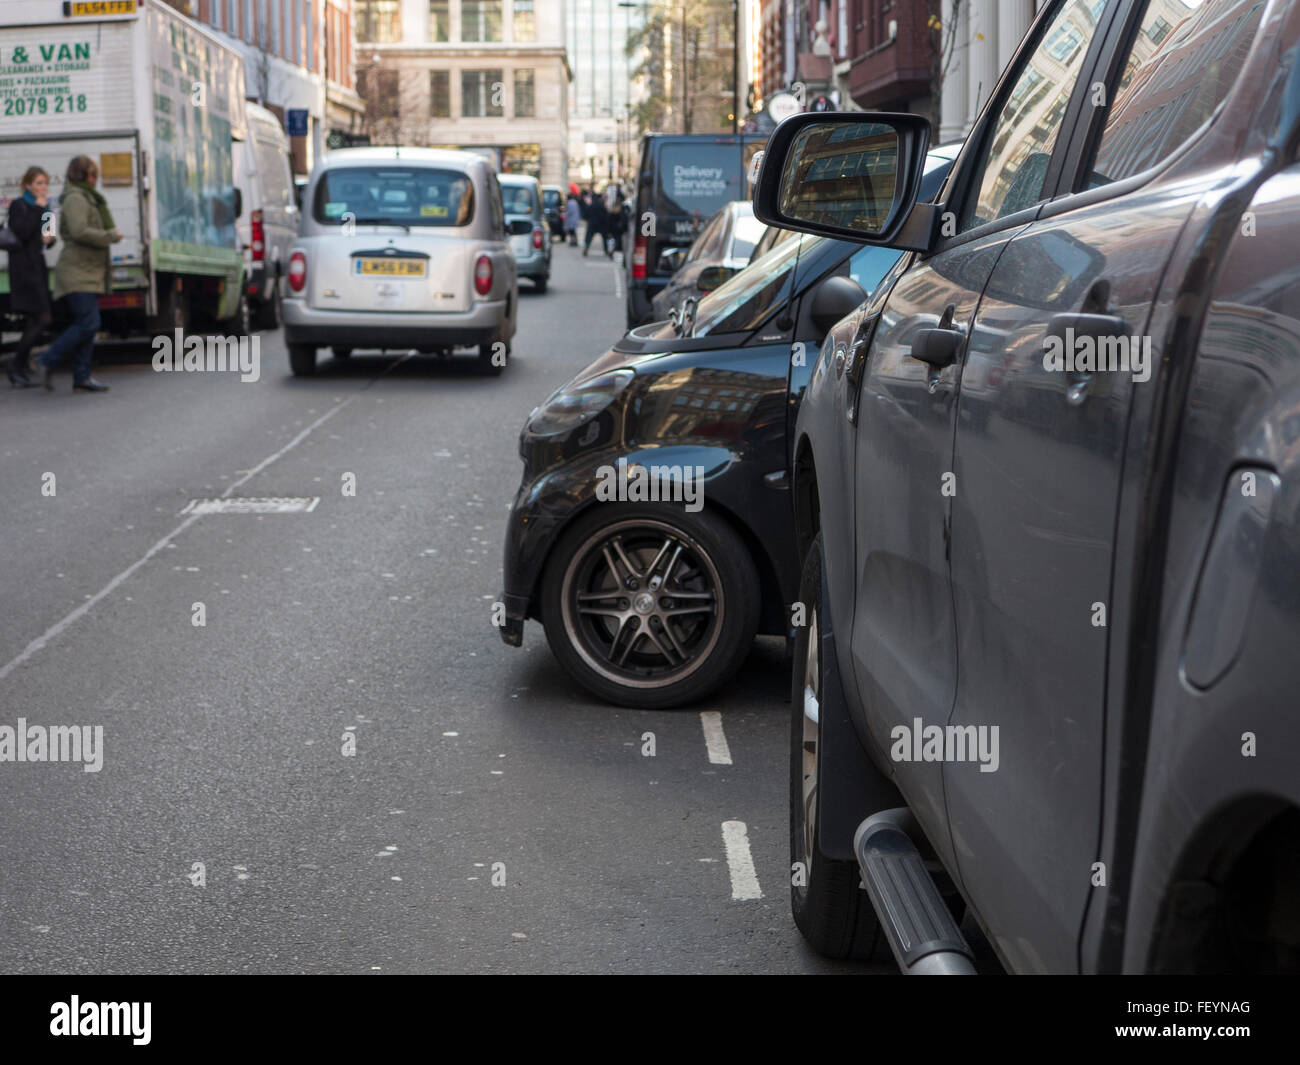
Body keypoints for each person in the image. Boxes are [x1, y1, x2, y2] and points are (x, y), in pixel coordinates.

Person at [35, 155, 121, 392]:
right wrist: (109, 236)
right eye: (92, 175)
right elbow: (79, 231)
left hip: (88, 271)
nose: (95, 180)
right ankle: (46, 360)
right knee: (89, 323)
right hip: (77, 271)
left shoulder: (86, 197)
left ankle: (82, 378)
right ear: (83, 175)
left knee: (88, 324)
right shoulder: (75, 198)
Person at [4, 167, 57, 387]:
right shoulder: (20, 205)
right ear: (28, 186)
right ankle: (16, 364)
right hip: (24, 269)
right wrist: (38, 208)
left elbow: (49, 238)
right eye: (38, 183)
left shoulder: (46, 208)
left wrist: (50, 237)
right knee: (42, 317)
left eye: (45, 183)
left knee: (36, 319)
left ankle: (20, 365)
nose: (43, 187)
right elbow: (22, 232)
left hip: (38, 266)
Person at [583, 189, 608, 258]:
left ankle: (586, 249)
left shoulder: (591, 205)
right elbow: (605, 216)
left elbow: (586, 215)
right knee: (604, 238)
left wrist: (588, 220)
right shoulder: (602, 206)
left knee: (588, 238)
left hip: (592, 224)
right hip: (601, 224)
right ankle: (606, 251)